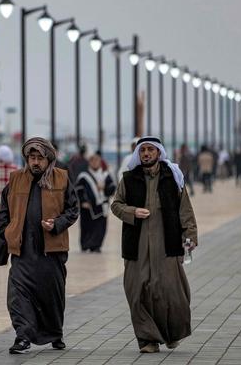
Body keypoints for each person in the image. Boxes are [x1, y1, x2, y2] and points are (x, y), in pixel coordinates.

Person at [111, 136, 198, 354]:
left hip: (167, 243)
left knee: (170, 290)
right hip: (137, 245)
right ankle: (147, 339)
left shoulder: (172, 177)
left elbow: (184, 209)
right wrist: (133, 212)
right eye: (143, 151)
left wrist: (190, 235)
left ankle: (170, 333)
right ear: (138, 154)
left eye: (151, 150)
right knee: (137, 290)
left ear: (159, 153)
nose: (147, 154)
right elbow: (116, 205)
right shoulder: (129, 179)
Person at [0, 137, 79, 354]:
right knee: (18, 296)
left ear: (48, 159)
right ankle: (22, 336)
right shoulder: (15, 179)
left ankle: (55, 332)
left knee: (51, 295)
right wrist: (6, 232)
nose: (35, 162)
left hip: (51, 251)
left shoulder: (61, 178)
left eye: (39, 158)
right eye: (31, 158)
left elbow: (73, 209)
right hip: (23, 252)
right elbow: (4, 210)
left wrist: (57, 224)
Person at [75, 153, 116, 252]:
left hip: (102, 206)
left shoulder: (105, 175)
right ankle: (85, 245)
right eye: (92, 161)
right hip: (87, 207)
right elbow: (78, 189)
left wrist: (104, 187)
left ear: (100, 162)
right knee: (86, 226)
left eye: (97, 160)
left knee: (100, 227)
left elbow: (112, 188)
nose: (95, 163)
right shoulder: (83, 175)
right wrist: (83, 202)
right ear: (89, 162)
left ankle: (96, 246)